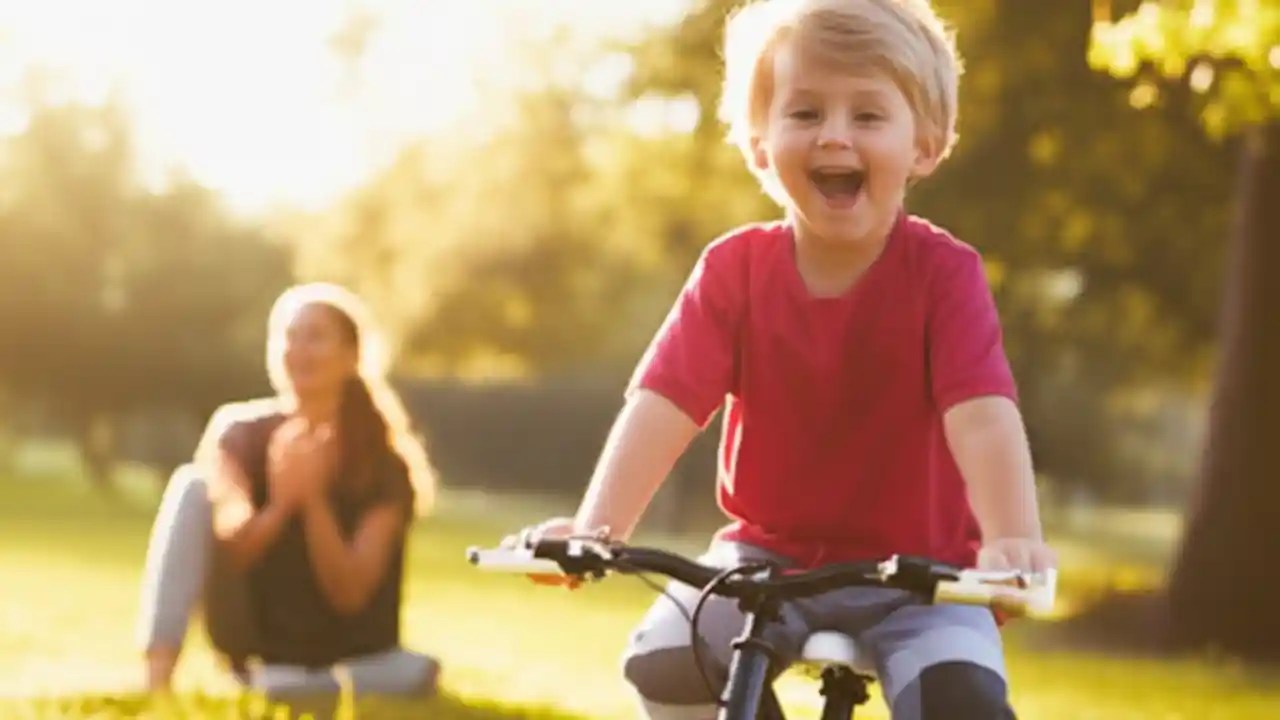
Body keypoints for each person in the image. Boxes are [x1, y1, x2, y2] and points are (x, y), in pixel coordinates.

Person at [507, 1, 1056, 718]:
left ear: (925, 144)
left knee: (961, 700)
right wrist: (595, 529)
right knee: (666, 663)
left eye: (867, 116)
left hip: (923, 578)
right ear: (759, 143)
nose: (834, 135)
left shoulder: (943, 274)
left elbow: (981, 416)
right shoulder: (733, 270)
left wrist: (1013, 536)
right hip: (763, 565)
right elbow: (662, 406)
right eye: (805, 114)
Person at [136, 282, 440, 699]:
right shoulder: (238, 432)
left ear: (351, 356)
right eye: (288, 336)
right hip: (265, 643)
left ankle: (310, 685)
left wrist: (314, 503)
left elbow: (351, 594)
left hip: (352, 650)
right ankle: (157, 680)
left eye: (314, 337)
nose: (297, 350)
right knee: (191, 485)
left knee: (394, 673)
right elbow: (236, 547)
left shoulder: (384, 463)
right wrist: (282, 503)